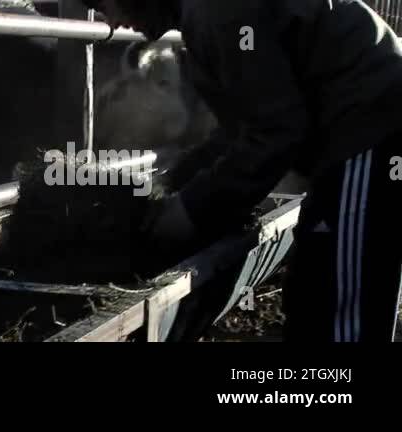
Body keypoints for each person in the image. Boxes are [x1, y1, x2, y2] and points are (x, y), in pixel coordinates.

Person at [80, 0, 402, 342]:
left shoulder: (216, 13)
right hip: (357, 135)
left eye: (106, 3)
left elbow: (276, 132)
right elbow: (246, 126)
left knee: (340, 309)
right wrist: (174, 181)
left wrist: (190, 208)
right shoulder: (204, 14)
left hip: (369, 128)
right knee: (315, 287)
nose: (113, 21)